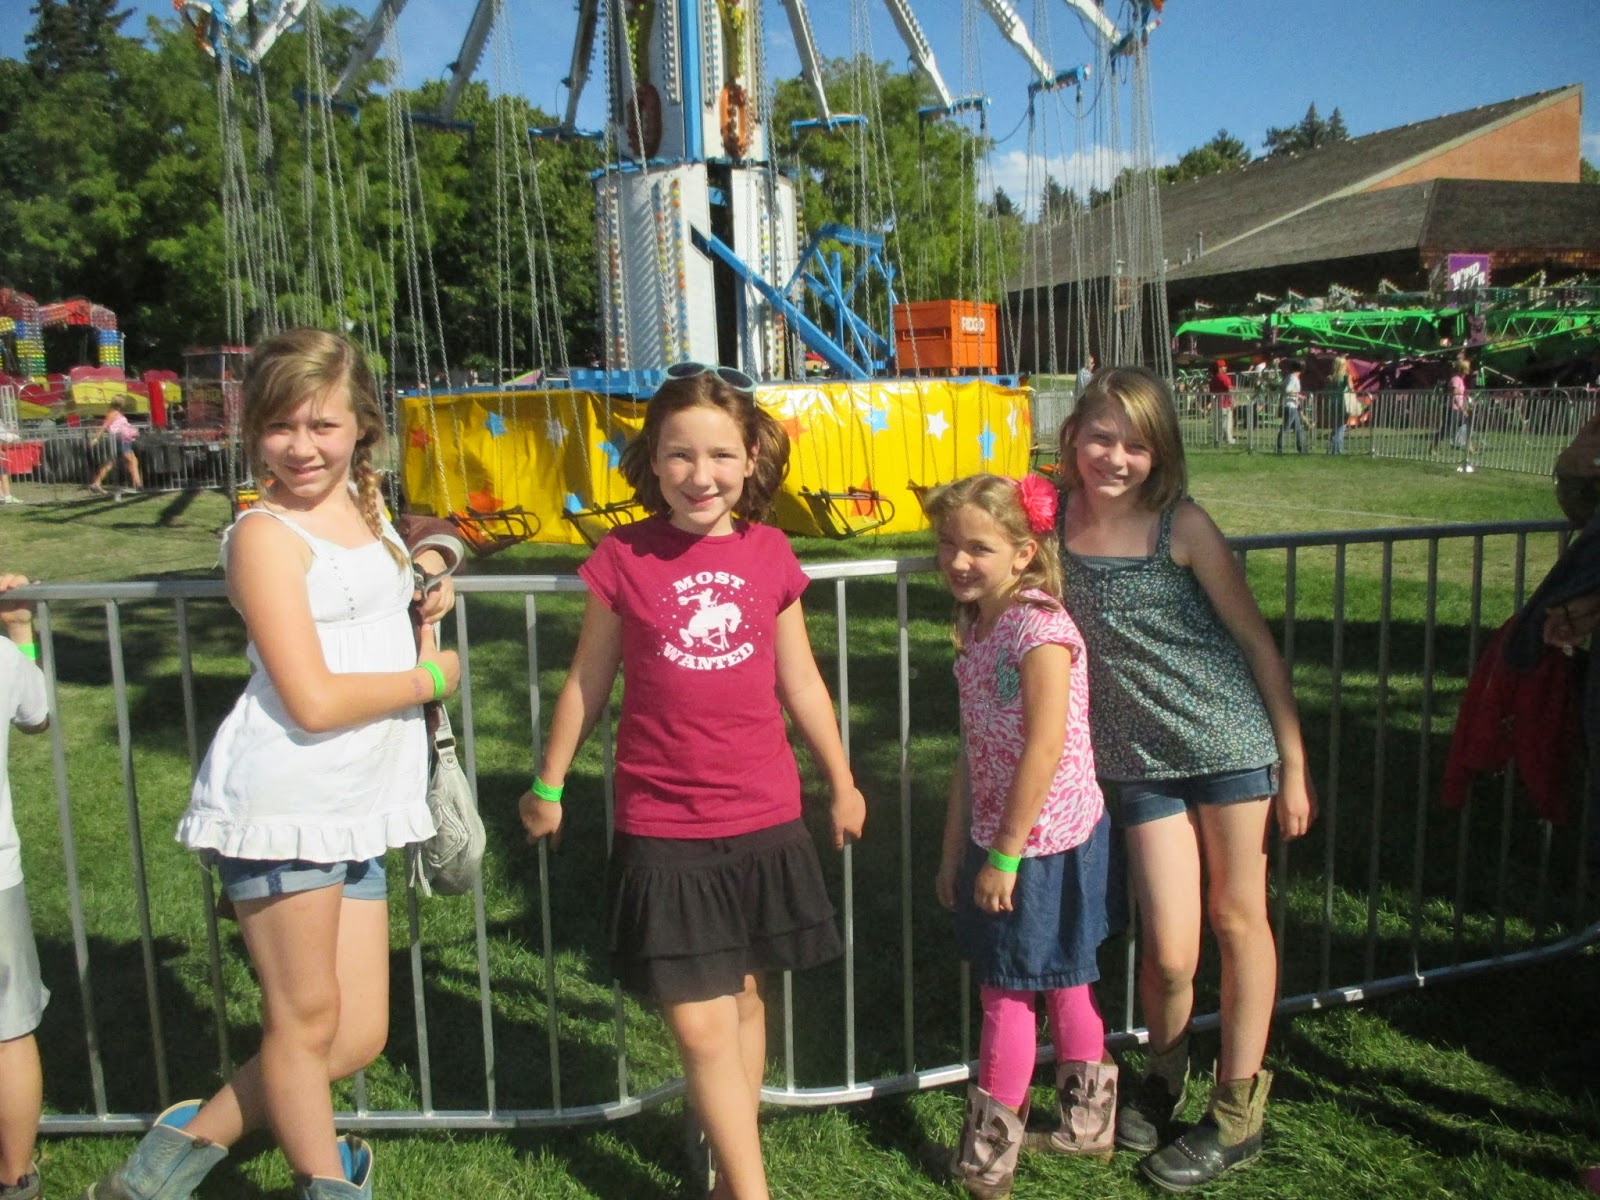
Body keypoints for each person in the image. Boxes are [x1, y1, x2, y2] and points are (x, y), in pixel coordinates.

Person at [80, 329, 461, 1200]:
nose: (302, 447)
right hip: (286, 798)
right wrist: (429, 676)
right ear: (254, 432)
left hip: (360, 799)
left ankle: (160, 1168)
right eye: (281, 427)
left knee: (355, 1033)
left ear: (363, 425)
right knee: (304, 1021)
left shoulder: (364, 507)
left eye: (323, 426)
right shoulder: (262, 534)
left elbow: (409, 544)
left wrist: (435, 563)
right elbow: (314, 698)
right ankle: (326, 1184)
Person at [518, 362, 866, 1200]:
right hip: (663, 823)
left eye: (718, 454)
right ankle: (752, 1191)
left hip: (763, 813)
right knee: (702, 1023)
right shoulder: (623, 557)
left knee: (743, 1000)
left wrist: (842, 780)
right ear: (653, 461)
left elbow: (803, 682)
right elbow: (585, 683)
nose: (699, 475)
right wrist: (551, 781)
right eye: (679, 455)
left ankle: (723, 1161)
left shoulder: (769, 552)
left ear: (751, 458)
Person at [1054, 366, 1317, 1192]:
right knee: (1169, 952)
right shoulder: (1049, 522)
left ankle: (1239, 1111)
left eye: (1136, 444)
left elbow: (1255, 644)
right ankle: (1163, 1076)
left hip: (1231, 745)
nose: (1116, 457)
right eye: (1101, 436)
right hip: (1137, 761)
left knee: (1238, 918)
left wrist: (1294, 762)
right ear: (1072, 439)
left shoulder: (1183, 527)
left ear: (1159, 452)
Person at [925, 474, 1114, 1197]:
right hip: (1002, 838)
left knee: (1009, 992)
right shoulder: (979, 628)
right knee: (1064, 977)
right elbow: (977, 754)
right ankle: (1087, 1126)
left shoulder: (1039, 630)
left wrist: (1002, 853)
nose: (959, 560)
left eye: (979, 547)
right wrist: (956, 851)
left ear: (1024, 553)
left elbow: (1043, 747)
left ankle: (987, 1156)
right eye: (947, 544)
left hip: (1042, 845)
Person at [0, 573, 49, 1200]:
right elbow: (36, 717)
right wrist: (20, 630)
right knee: (7, 1030)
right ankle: (15, 1178)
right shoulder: (6, 659)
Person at [88, 400, 143, 495]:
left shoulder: (115, 414)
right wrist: (95, 439)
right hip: (121, 438)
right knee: (132, 460)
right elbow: (103, 427)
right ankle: (138, 484)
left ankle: (96, 484)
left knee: (111, 462)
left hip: (121, 438)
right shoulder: (113, 414)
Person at [1276, 361, 1308, 454]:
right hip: (1290, 406)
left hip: (1291, 406)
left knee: (1299, 428)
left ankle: (1301, 448)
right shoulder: (1293, 378)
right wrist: (1299, 396)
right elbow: (1287, 390)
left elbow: (1281, 387)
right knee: (1286, 428)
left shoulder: (1288, 377)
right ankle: (1280, 448)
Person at [1326, 356, 1354, 455]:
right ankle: (1337, 450)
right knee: (1341, 427)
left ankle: (1332, 449)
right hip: (1343, 403)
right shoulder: (1346, 376)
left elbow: (1328, 390)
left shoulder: (1330, 377)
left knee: (1336, 426)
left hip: (1333, 403)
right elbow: (1351, 389)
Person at [1208, 359, 1236, 445]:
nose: (1226, 367)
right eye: (1224, 366)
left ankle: (1217, 440)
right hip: (1225, 404)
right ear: (1220, 367)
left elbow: (1211, 391)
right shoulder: (1225, 377)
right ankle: (1229, 439)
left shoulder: (1213, 378)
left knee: (1217, 424)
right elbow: (1230, 390)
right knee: (1227, 423)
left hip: (1216, 404)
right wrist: (1233, 401)